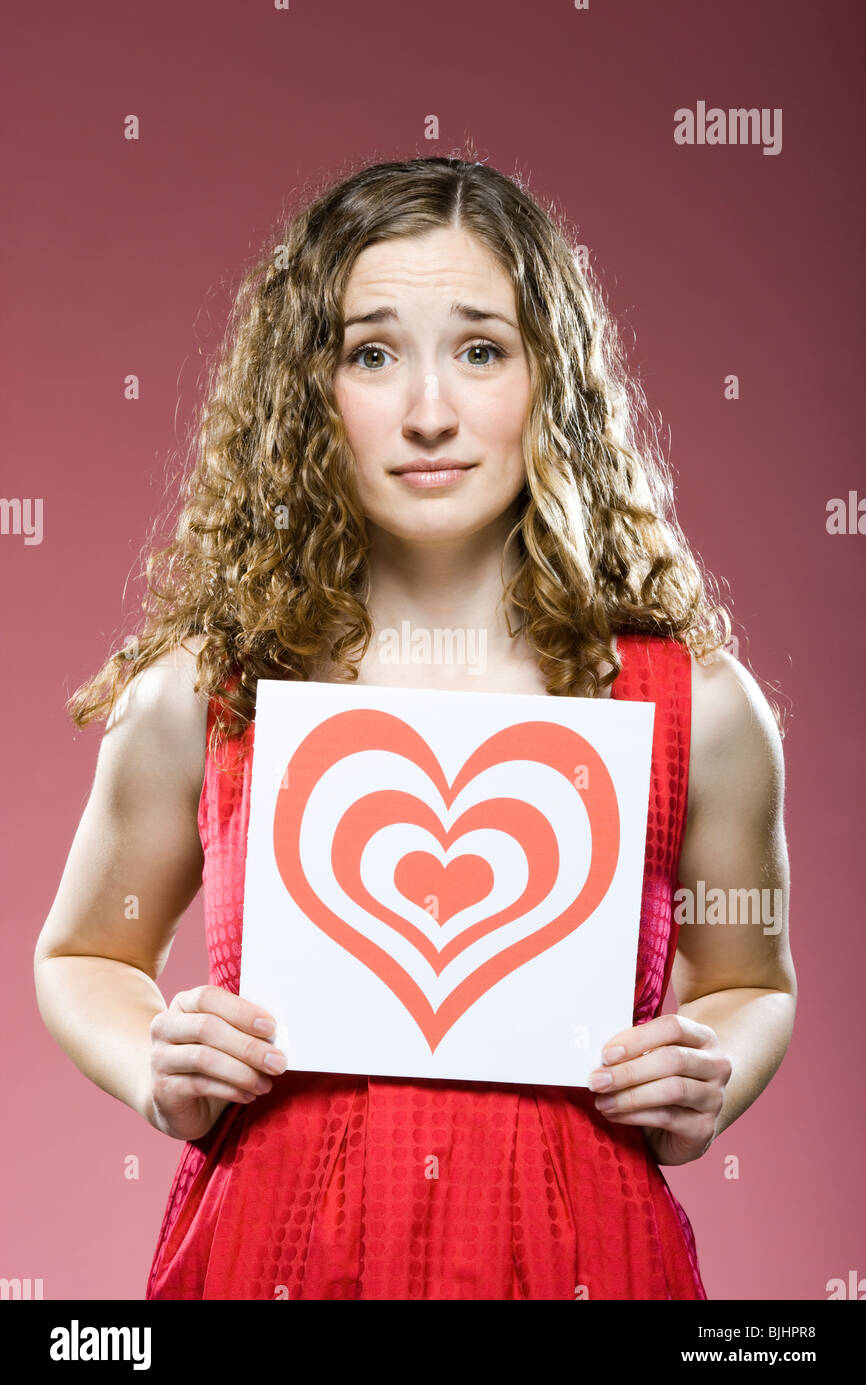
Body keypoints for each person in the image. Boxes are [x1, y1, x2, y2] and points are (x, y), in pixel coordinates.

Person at [33, 155, 796, 1300]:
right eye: (371, 353)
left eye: (479, 349)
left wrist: (710, 1072)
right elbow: (82, 954)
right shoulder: (208, 692)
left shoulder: (695, 703)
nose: (429, 411)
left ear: (552, 378)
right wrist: (155, 1061)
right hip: (279, 1261)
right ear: (307, 390)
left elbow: (753, 980)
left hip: (582, 1260)